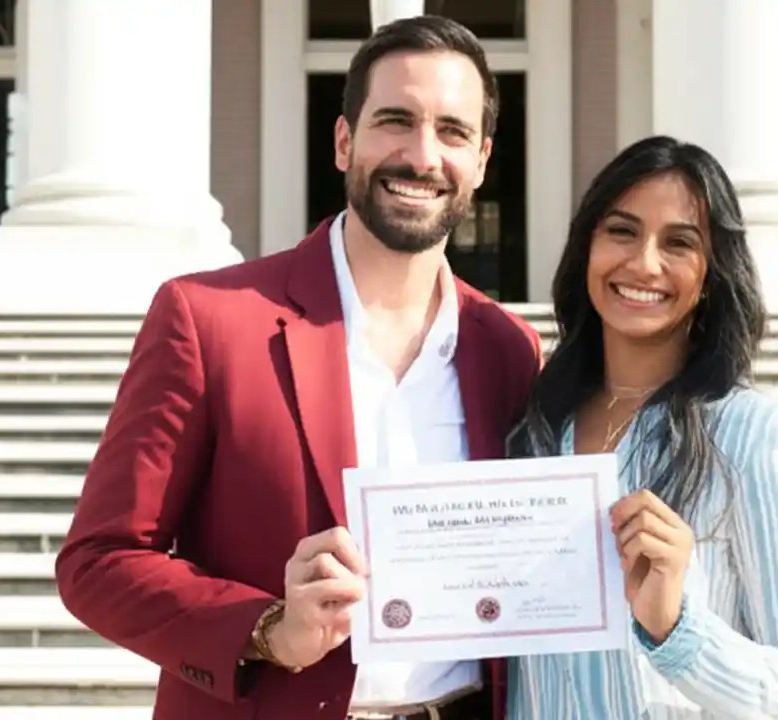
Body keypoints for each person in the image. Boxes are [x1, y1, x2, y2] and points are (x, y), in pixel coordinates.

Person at [55, 16, 540, 720]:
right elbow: (97, 563)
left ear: (483, 159)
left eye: (453, 132)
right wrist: (267, 630)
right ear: (344, 142)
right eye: (395, 121)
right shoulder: (207, 319)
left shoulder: (509, 348)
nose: (422, 156)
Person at [506, 136, 778, 719]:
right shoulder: (534, 434)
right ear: (586, 247)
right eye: (621, 231)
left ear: (712, 273)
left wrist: (677, 629)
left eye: (679, 243)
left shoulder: (758, 439)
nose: (644, 263)